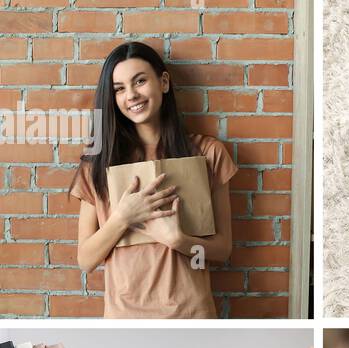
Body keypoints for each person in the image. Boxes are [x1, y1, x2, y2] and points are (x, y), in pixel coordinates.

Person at [71, 41, 236, 319]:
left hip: (191, 316)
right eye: (119, 89)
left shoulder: (208, 154)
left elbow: (222, 250)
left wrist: (178, 240)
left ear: (164, 82)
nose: (131, 95)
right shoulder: (97, 165)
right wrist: (122, 217)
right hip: (125, 320)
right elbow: (86, 260)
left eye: (140, 81)